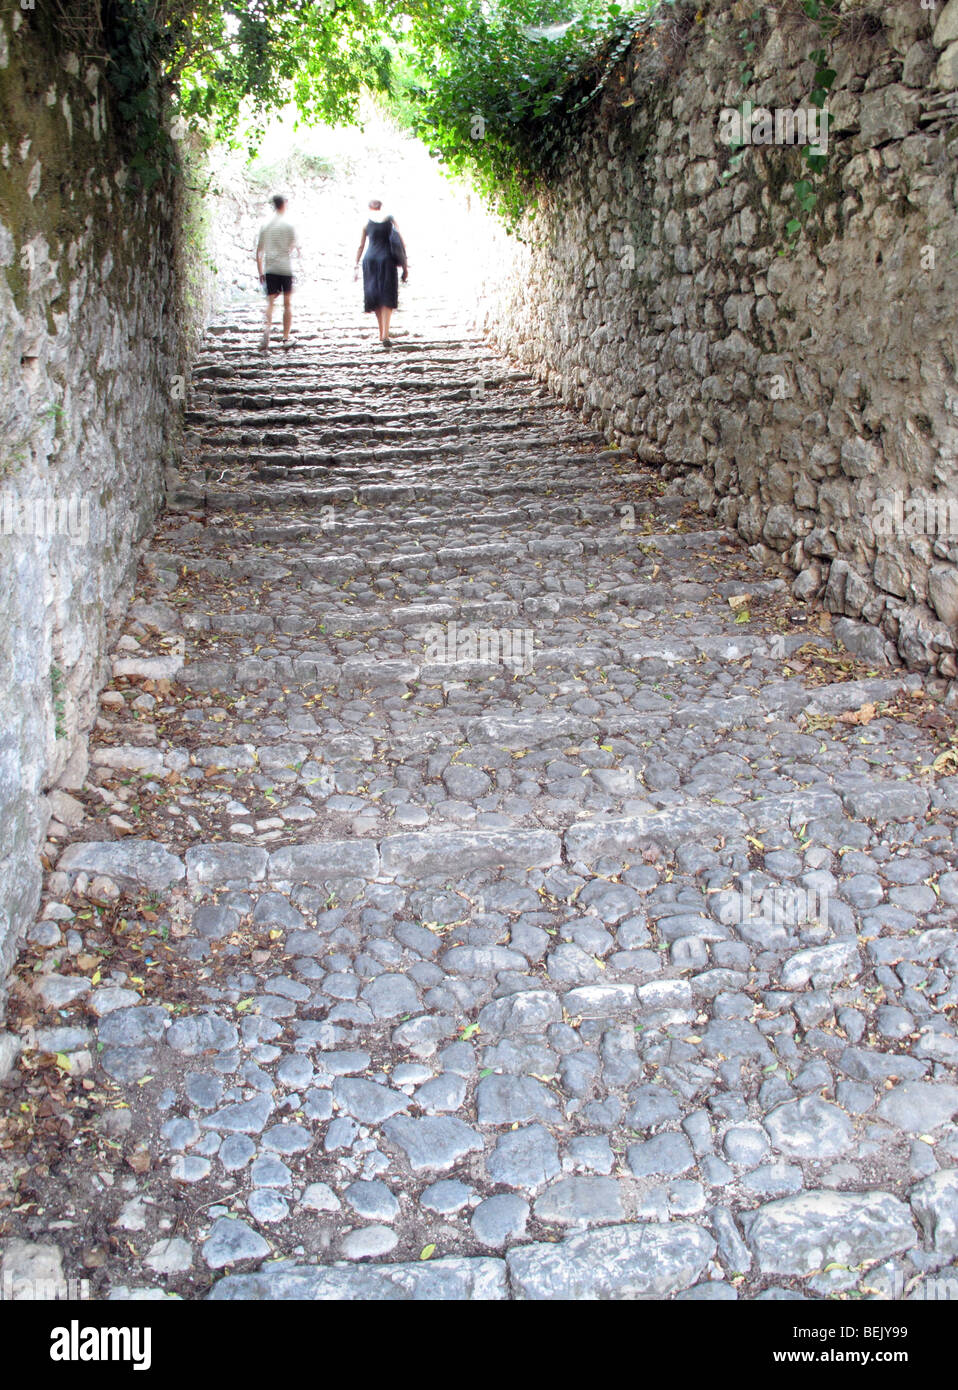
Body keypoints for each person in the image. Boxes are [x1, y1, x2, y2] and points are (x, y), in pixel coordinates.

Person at [354, 199, 407, 348]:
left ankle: (381, 332)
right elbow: (400, 241)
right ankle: (385, 334)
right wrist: (405, 265)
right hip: (387, 260)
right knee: (387, 296)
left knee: (375, 295)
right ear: (381, 207)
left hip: (370, 260)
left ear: (369, 208)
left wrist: (355, 265)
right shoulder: (390, 220)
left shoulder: (366, 222)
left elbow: (360, 245)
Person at [256, 194, 297, 351]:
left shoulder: (265, 225)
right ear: (284, 204)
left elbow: (259, 251)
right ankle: (285, 337)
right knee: (287, 304)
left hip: (270, 268)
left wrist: (261, 272)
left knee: (270, 303)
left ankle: (267, 331)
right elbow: (293, 246)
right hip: (285, 268)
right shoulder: (289, 224)